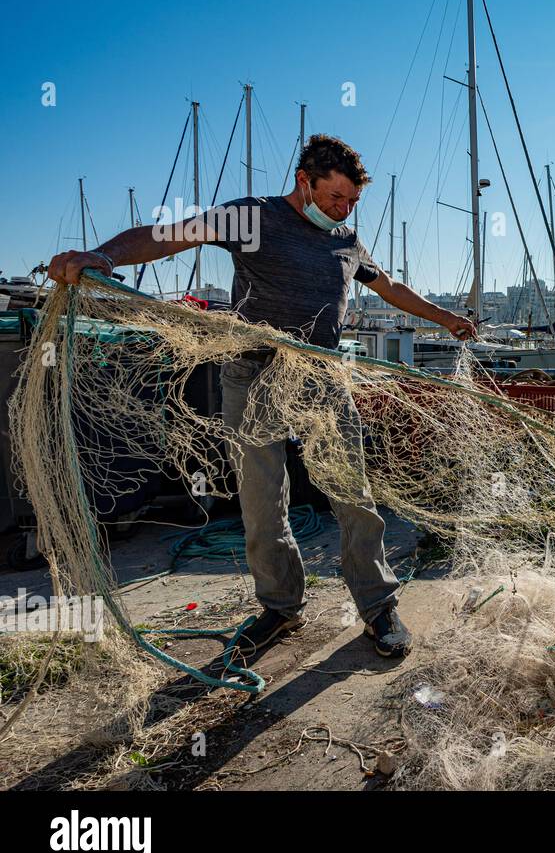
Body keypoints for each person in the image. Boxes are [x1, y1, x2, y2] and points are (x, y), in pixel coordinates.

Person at [47, 134, 476, 659]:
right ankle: (281, 608)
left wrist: (447, 318)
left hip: (318, 376)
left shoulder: (345, 238)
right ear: (304, 181)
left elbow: (388, 287)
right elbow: (170, 236)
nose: (344, 210)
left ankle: (377, 606)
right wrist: (104, 254)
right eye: (335, 197)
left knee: (353, 494)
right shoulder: (254, 217)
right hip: (251, 376)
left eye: (351, 202)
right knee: (262, 502)